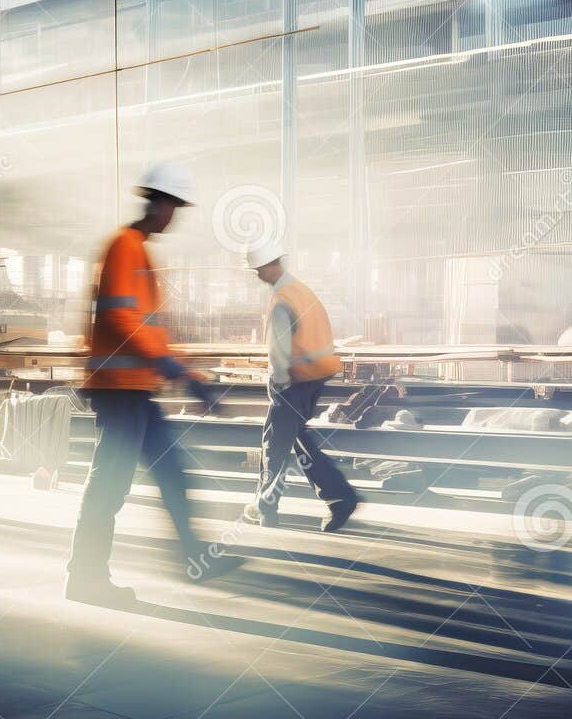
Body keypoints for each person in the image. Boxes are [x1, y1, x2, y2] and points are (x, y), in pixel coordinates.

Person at [65, 163, 241, 606]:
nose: (175, 216)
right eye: (174, 207)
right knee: (110, 483)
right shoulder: (124, 246)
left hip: (136, 387)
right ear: (158, 203)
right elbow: (121, 319)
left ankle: (195, 556)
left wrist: (184, 373)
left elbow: (146, 327)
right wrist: (176, 370)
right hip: (118, 388)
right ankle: (84, 578)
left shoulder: (139, 250)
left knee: (170, 472)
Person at [239, 243, 359, 532]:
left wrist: (278, 385)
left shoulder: (282, 299)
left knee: (275, 445)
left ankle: (267, 508)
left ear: (271, 265)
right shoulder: (302, 290)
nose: (258, 275)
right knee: (297, 441)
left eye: (259, 269)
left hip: (292, 382)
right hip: (313, 378)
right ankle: (339, 498)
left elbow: (278, 352)